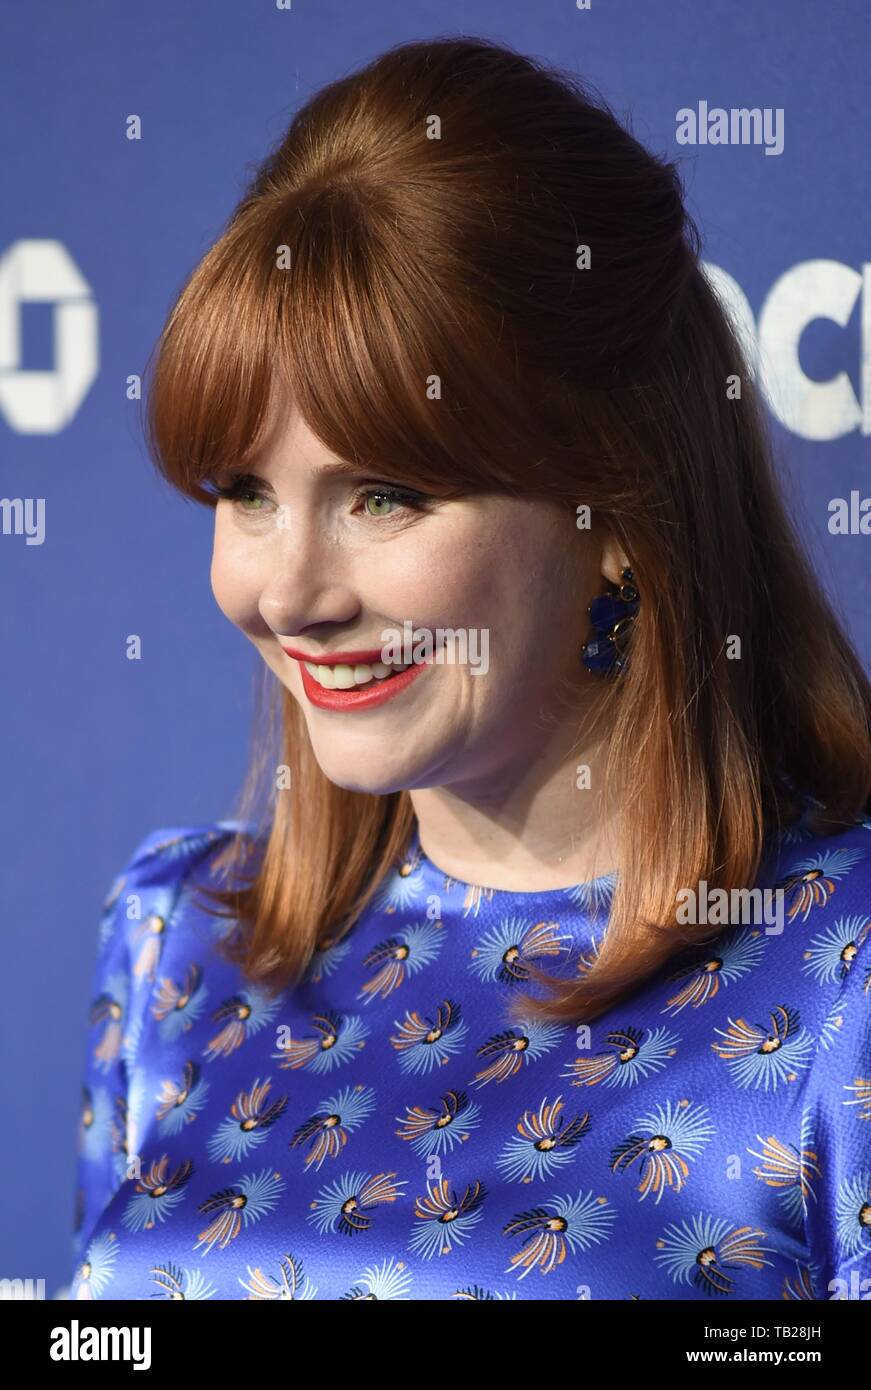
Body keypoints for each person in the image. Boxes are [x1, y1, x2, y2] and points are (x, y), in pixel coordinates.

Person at [70, 36, 871, 1301]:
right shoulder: (179, 940)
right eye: (244, 492)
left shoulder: (844, 973)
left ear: (614, 504)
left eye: (385, 496)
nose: (287, 593)